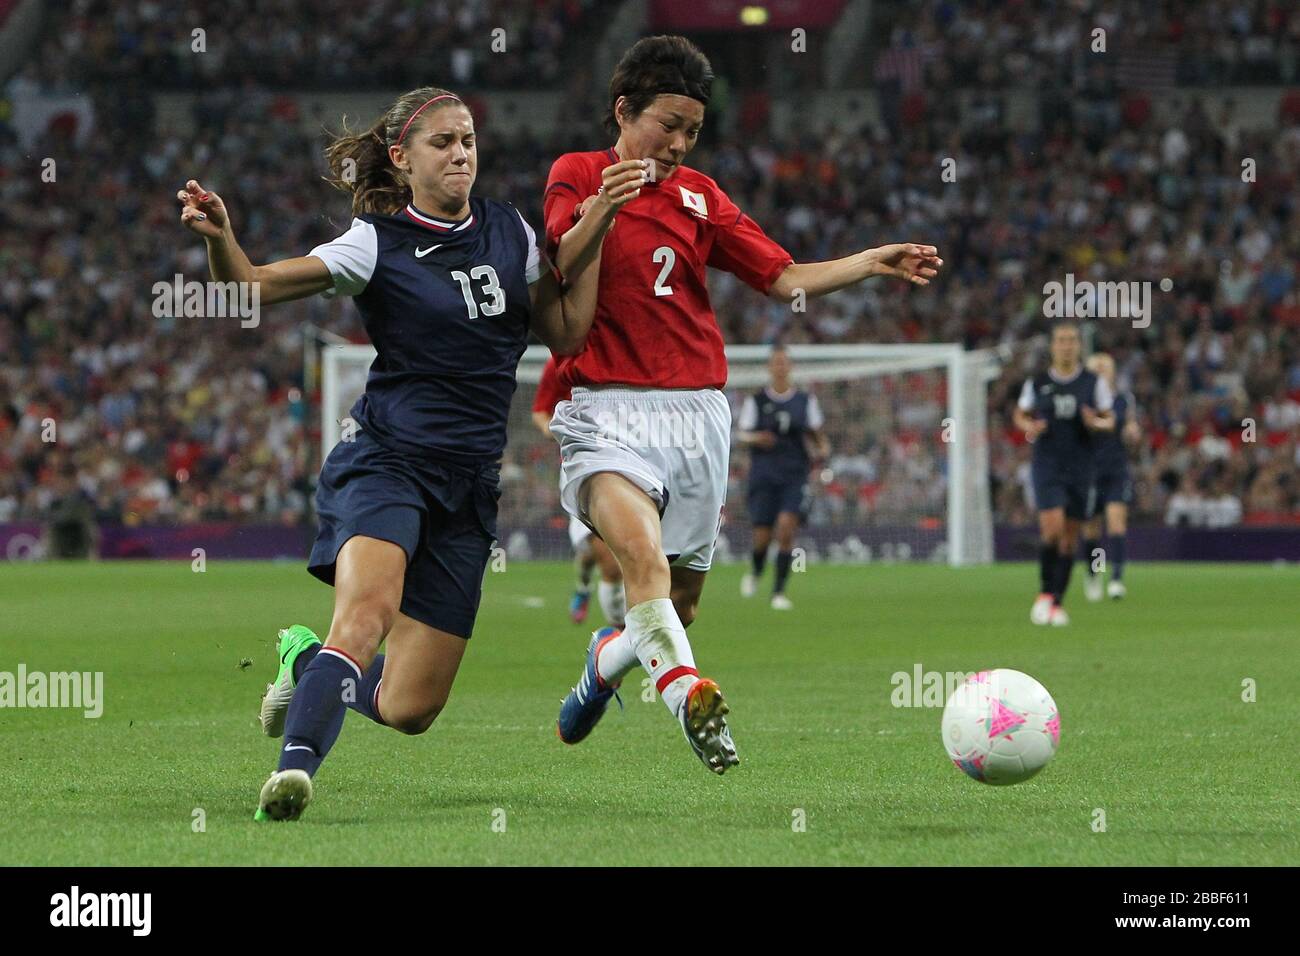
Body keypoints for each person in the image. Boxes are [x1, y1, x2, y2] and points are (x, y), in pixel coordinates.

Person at [178, 86, 621, 821]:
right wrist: (222, 240)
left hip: (469, 483)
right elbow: (251, 287)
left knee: (411, 707)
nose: (460, 153)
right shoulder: (373, 241)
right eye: (442, 141)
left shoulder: (510, 231)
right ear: (400, 158)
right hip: (387, 462)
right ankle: (293, 774)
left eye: (469, 140)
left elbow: (568, 333)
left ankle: (300, 661)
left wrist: (602, 217)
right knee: (364, 615)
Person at [542, 35, 942, 772]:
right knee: (640, 564)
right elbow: (558, 267)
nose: (680, 143)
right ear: (624, 111)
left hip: (698, 416)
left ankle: (607, 661)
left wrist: (870, 262)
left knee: (679, 606)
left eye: (693, 130)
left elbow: (783, 278)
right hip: (606, 411)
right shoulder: (577, 174)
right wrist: (604, 205)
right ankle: (688, 694)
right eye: (668, 124)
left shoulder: (701, 196)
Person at [1012, 321, 1114, 626]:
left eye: (1071, 340)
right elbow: (1020, 414)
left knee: (1070, 539)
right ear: (1053, 345)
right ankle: (1044, 594)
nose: (1066, 345)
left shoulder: (1092, 383)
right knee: (1052, 529)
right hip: (1047, 464)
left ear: (1078, 346)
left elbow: (1110, 419)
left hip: (1081, 466)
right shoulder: (1038, 382)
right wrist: (1028, 426)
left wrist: (1097, 423)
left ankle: (1056, 602)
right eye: (1061, 340)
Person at [531, 355, 626, 626]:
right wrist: (559, 433)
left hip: (626, 462)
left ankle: (618, 643)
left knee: (611, 554)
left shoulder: (621, 355)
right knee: (603, 560)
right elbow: (540, 412)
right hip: (581, 467)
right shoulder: (559, 363)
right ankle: (614, 641)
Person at [736, 346, 829, 610]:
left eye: (784, 362)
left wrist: (823, 447)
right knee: (762, 537)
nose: (780, 367)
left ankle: (778, 592)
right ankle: (755, 570)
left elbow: (816, 433)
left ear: (790, 367)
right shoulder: (756, 402)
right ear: (769, 367)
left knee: (786, 529)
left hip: (794, 474)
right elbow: (742, 434)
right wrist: (758, 438)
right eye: (775, 363)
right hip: (764, 475)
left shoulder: (804, 401)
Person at [1080, 353, 1140, 600]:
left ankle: (1116, 578)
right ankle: (1094, 573)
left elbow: (1130, 426)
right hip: (1090, 470)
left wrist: (1131, 431)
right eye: (1097, 368)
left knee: (1117, 522)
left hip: (1116, 469)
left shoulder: (1123, 400)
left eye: (1106, 367)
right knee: (1092, 528)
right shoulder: (1084, 399)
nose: (1102, 371)